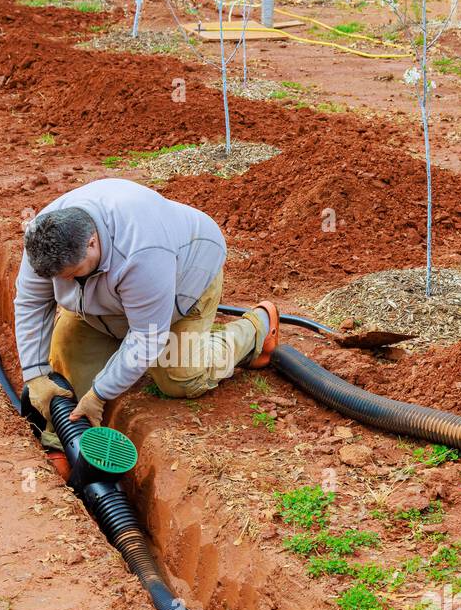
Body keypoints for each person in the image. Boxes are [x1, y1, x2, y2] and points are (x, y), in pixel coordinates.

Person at [14, 178, 278, 435]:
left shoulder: (143, 252)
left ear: (92, 242)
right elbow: (31, 301)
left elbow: (146, 336)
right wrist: (36, 374)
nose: (64, 282)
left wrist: (100, 393)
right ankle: (61, 448)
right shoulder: (42, 236)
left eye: (72, 274)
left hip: (183, 284)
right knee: (67, 369)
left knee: (181, 376)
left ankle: (256, 329)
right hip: (106, 302)